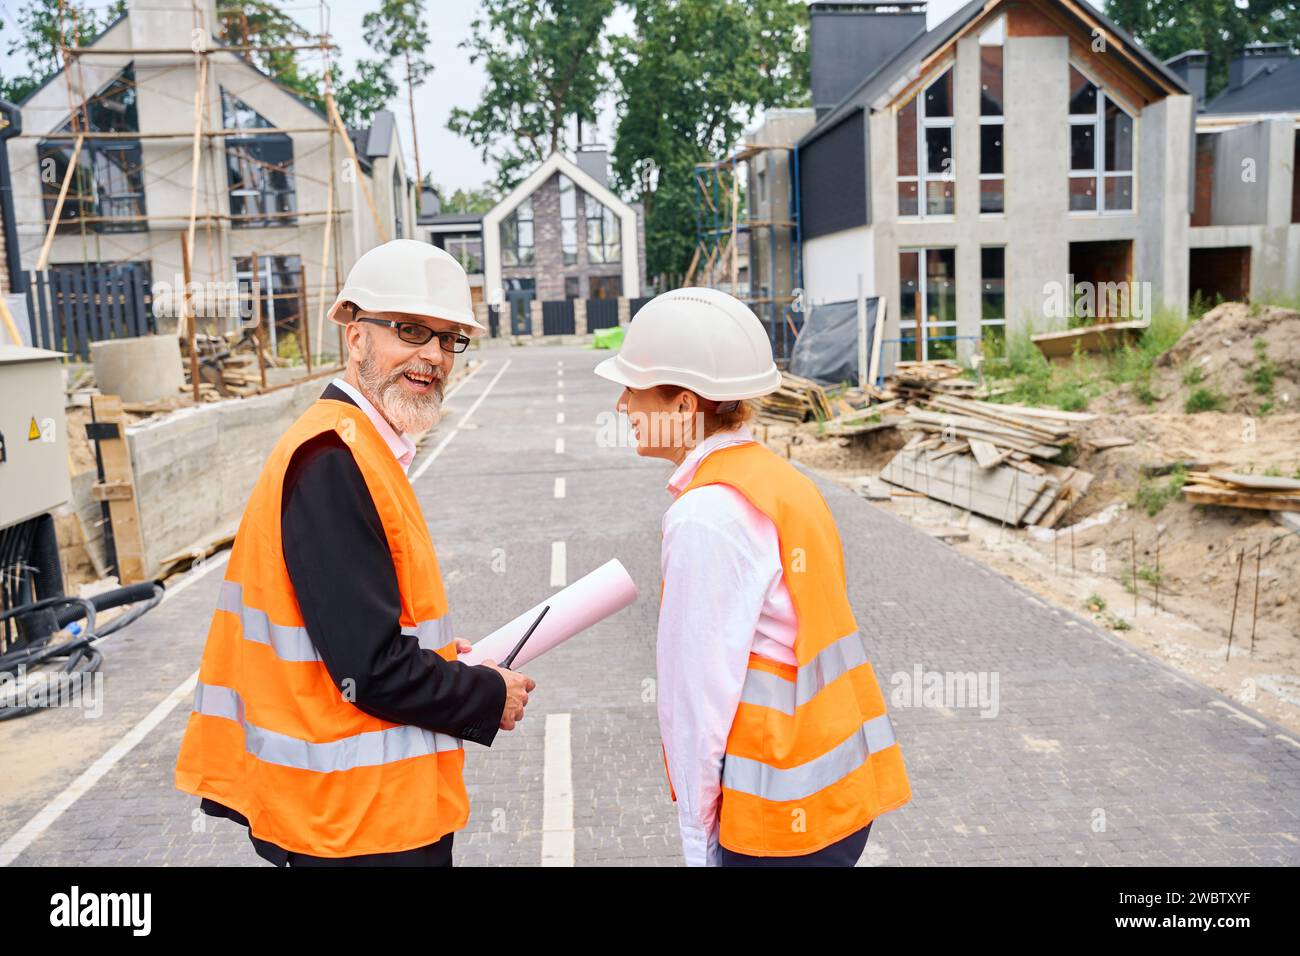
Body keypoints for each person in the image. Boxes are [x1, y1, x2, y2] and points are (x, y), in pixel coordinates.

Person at [175, 239, 535, 867]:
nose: (433, 356)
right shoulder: (333, 461)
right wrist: (483, 694)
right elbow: (368, 668)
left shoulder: (360, 448)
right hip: (352, 825)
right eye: (410, 330)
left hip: (361, 815)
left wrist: (447, 660)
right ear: (356, 336)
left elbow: (362, 632)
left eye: (449, 340)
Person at [594, 288, 911, 867]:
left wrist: (697, 838)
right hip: (839, 793)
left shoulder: (706, 516)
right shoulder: (778, 481)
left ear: (683, 405)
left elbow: (697, 698)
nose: (621, 406)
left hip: (777, 816)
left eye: (633, 389)